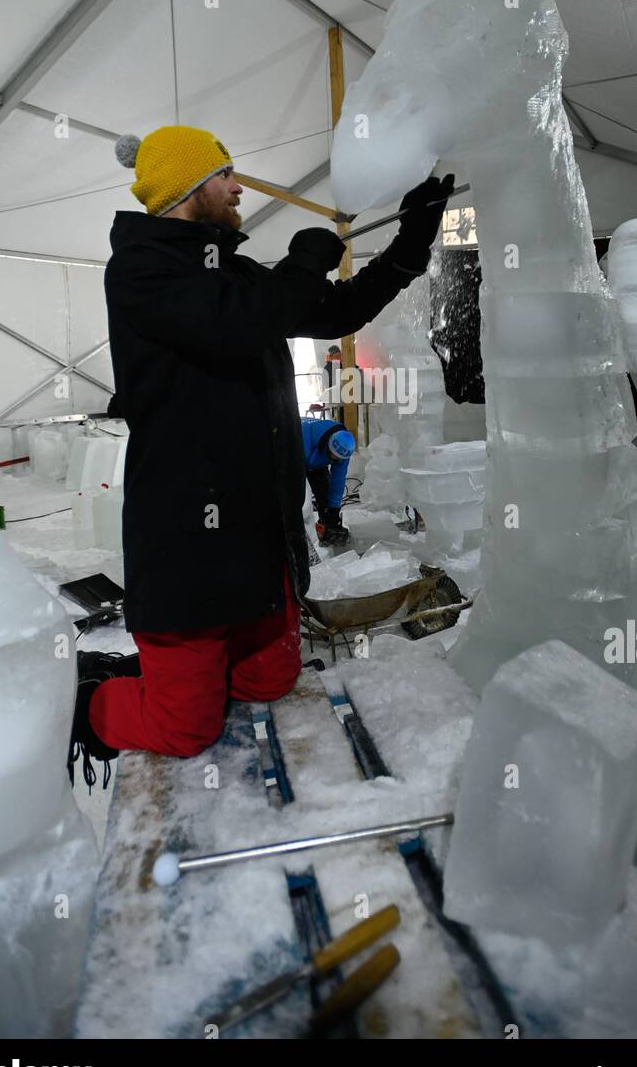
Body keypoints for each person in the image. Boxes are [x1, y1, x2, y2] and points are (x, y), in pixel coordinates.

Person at [68, 121, 453, 782]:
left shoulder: (236, 273)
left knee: (268, 683)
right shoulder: (140, 269)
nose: (238, 187)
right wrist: (305, 260)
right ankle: (85, 706)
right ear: (190, 188)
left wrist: (410, 242)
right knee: (186, 727)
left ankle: (173, 675)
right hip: (187, 540)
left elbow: (333, 311)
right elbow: (237, 325)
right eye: (224, 175)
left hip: (256, 538)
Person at [301, 418, 355, 546]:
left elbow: (338, 480)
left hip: (317, 461)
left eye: (338, 459)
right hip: (296, 456)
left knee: (325, 496)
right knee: (300, 501)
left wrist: (334, 509)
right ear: (328, 445)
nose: (336, 460)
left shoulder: (344, 449)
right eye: (333, 456)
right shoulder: (301, 439)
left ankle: (326, 529)